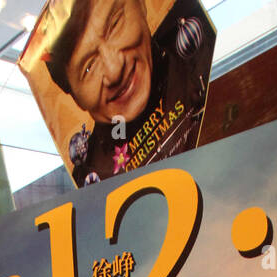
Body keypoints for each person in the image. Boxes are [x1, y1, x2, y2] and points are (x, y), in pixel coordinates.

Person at [45, 0, 214, 186]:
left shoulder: (201, 47)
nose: (114, 70)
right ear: (74, 96)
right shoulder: (91, 181)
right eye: (88, 67)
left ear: (141, 5)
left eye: (115, 24)